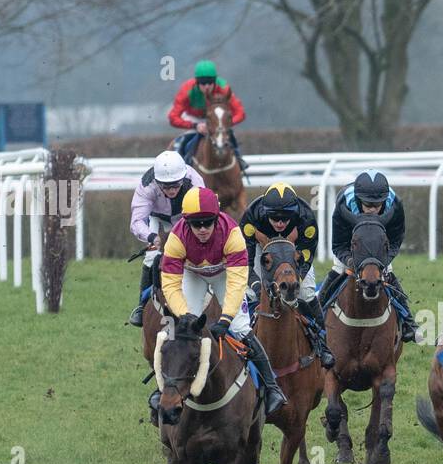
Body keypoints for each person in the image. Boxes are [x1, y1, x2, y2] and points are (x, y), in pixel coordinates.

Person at [156, 187, 285, 415]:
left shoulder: (232, 233)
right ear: (186, 222)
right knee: (179, 330)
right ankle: (163, 389)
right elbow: (170, 284)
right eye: (196, 224)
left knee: (241, 328)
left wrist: (225, 319)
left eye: (208, 222)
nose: (203, 229)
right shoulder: (176, 238)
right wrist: (185, 315)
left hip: (225, 275)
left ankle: (272, 388)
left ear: (217, 218)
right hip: (193, 275)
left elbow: (237, 283)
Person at [239, 182, 334, 368]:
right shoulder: (251, 218)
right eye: (275, 218)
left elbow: (305, 260)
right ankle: (243, 341)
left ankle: (323, 344)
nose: (280, 223)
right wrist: (257, 285)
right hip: (262, 250)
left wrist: (295, 281)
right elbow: (244, 262)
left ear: (294, 213)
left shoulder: (306, 219)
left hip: (293, 251)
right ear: (265, 212)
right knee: (250, 293)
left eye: (285, 218)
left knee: (306, 293)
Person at [317, 170, 418, 342]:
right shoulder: (344, 203)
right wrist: (351, 261)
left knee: (388, 273)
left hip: (379, 248)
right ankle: (317, 320)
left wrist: (383, 261)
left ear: (384, 200)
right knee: (338, 269)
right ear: (358, 199)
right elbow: (338, 244)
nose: (372, 209)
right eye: (367, 204)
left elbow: (395, 241)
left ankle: (409, 323)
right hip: (351, 245)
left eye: (377, 205)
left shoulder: (395, 204)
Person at [127, 150, 205, 326]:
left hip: (187, 217)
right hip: (158, 219)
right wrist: (152, 236)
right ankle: (142, 306)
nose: (171, 190)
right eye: (166, 186)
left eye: (175, 185)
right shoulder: (147, 185)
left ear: (182, 178)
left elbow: (203, 211)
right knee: (151, 257)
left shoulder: (194, 180)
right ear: (157, 181)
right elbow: (137, 221)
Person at [167, 59, 248, 169]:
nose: (206, 86)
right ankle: (180, 165)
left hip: (217, 119)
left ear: (215, 81)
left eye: (210, 82)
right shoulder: (187, 89)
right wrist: (194, 125)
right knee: (183, 141)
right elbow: (173, 117)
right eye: (203, 82)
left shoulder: (224, 88)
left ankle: (239, 161)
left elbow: (240, 113)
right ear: (197, 82)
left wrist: (224, 123)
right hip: (193, 118)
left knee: (230, 136)